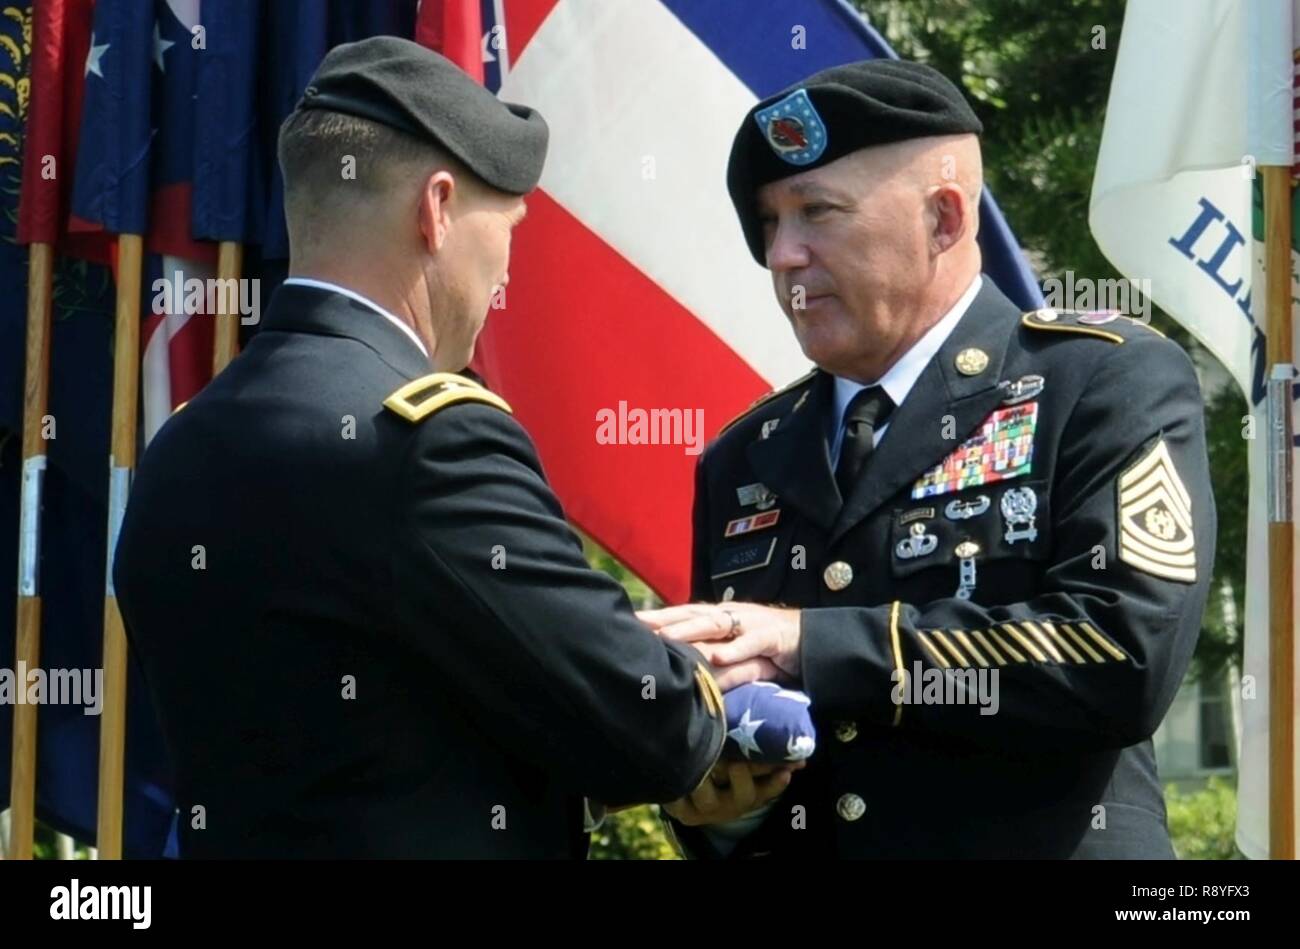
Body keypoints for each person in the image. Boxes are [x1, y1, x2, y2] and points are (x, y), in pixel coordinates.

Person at [111, 37, 733, 858]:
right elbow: (654, 726)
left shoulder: (180, 446)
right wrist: (724, 677)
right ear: (437, 209)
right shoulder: (431, 439)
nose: (505, 275)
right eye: (506, 227)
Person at [641, 59, 1215, 858]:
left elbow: (1122, 655)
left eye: (817, 213)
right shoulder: (745, 455)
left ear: (944, 218)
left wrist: (810, 641)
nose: (783, 256)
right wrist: (718, 804)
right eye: (770, 222)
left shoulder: (1101, 379)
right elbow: (729, 720)